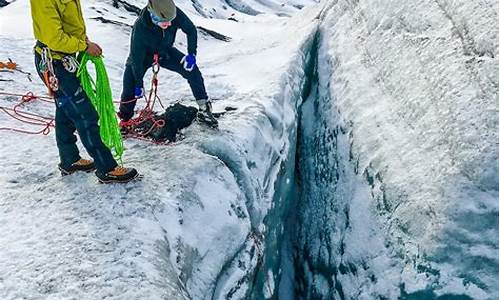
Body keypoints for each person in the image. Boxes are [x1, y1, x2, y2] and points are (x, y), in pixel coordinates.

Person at [29, 0, 138, 183]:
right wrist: (84, 47)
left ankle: (70, 159)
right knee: (85, 114)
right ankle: (107, 168)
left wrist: (84, 42)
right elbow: (55, 38)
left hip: (63, 60)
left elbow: (69, 24)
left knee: (65, 109)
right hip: (55, 63)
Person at [118, 0, 218, 128]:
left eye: (171, 20)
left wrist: (191, 54)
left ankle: (204, 108)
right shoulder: (140, 29)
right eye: (165, 21)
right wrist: (138, 84)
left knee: (192, 70)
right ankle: (125, 119)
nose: (169, 24)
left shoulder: (174, 13)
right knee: (130, 84)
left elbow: (191, 30)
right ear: (152, 14)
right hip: (143, 57)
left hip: (165, 51)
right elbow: (136, 61)